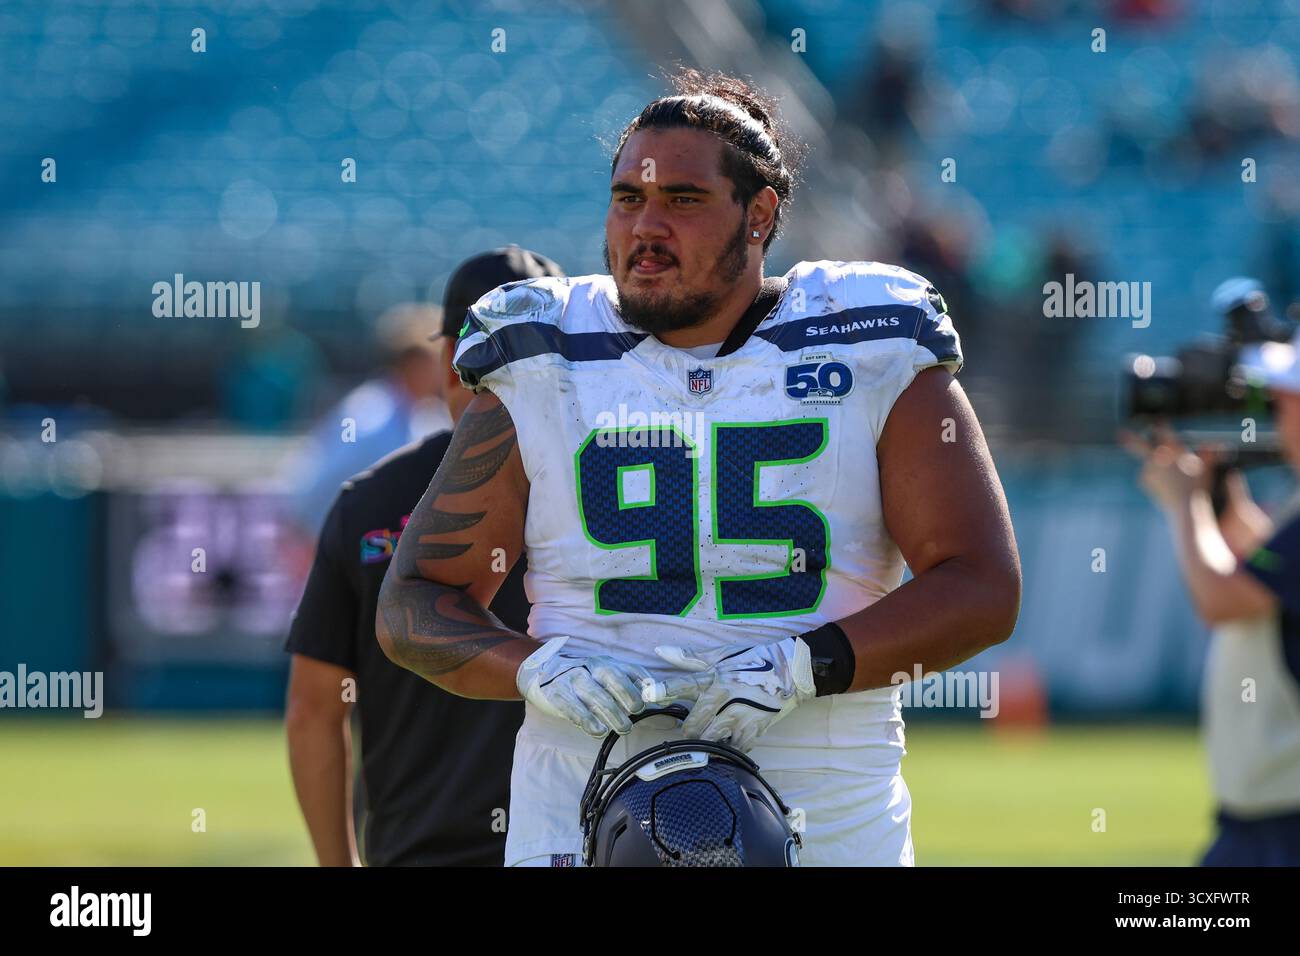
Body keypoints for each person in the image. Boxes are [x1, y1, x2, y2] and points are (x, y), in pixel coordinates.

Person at [377, 69, 1021, 867]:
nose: (646, 227)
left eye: (681, 199)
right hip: (583, 788)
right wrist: (537, 668)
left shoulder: (867, 342)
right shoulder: (543, 354)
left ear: (759, 214)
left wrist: (802, 666)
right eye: (627, 199)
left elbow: (982, 588)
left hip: (824, 795)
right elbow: (412, 605)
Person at [285, 247, 565, 866]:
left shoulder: (367, 504)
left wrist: (339, 864)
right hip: (576, 845)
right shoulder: (609, 489)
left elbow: (314, 709)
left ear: (448, 360)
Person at [1124, 324, 1300, 867]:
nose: (1276, 413)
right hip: (1264, 818)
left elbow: (1221, 598)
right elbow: (1267, 572)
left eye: (1287, 400)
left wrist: (1185, 505)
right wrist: (1218, 499)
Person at [284, 303, 453, 535]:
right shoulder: (369, 416)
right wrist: (332, 549)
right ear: (416, 363)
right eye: (437, 359)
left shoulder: (427, 414)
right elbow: (314, 490)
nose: (444, 370)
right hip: (351, 549)